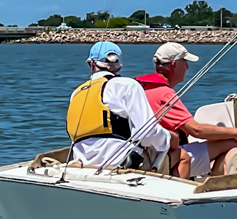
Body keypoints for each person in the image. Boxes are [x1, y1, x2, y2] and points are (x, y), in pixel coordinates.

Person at [136, 42, 237, 179]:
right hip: (164, 156)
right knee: (231, 143)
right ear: (174, 65)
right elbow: (196, 130)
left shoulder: (143, 87)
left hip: (149, 153)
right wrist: (236, 133)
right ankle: (215, 185)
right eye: (185, 62)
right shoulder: (164, 94)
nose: (187, 67)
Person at [67, 41, 176, 172]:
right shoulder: (127, 85)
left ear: (91, 64)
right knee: (177, 155)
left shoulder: (76, 93)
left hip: (83, 165)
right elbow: (147, 133)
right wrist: (168, 138)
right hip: (122, 165)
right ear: (118, 66)